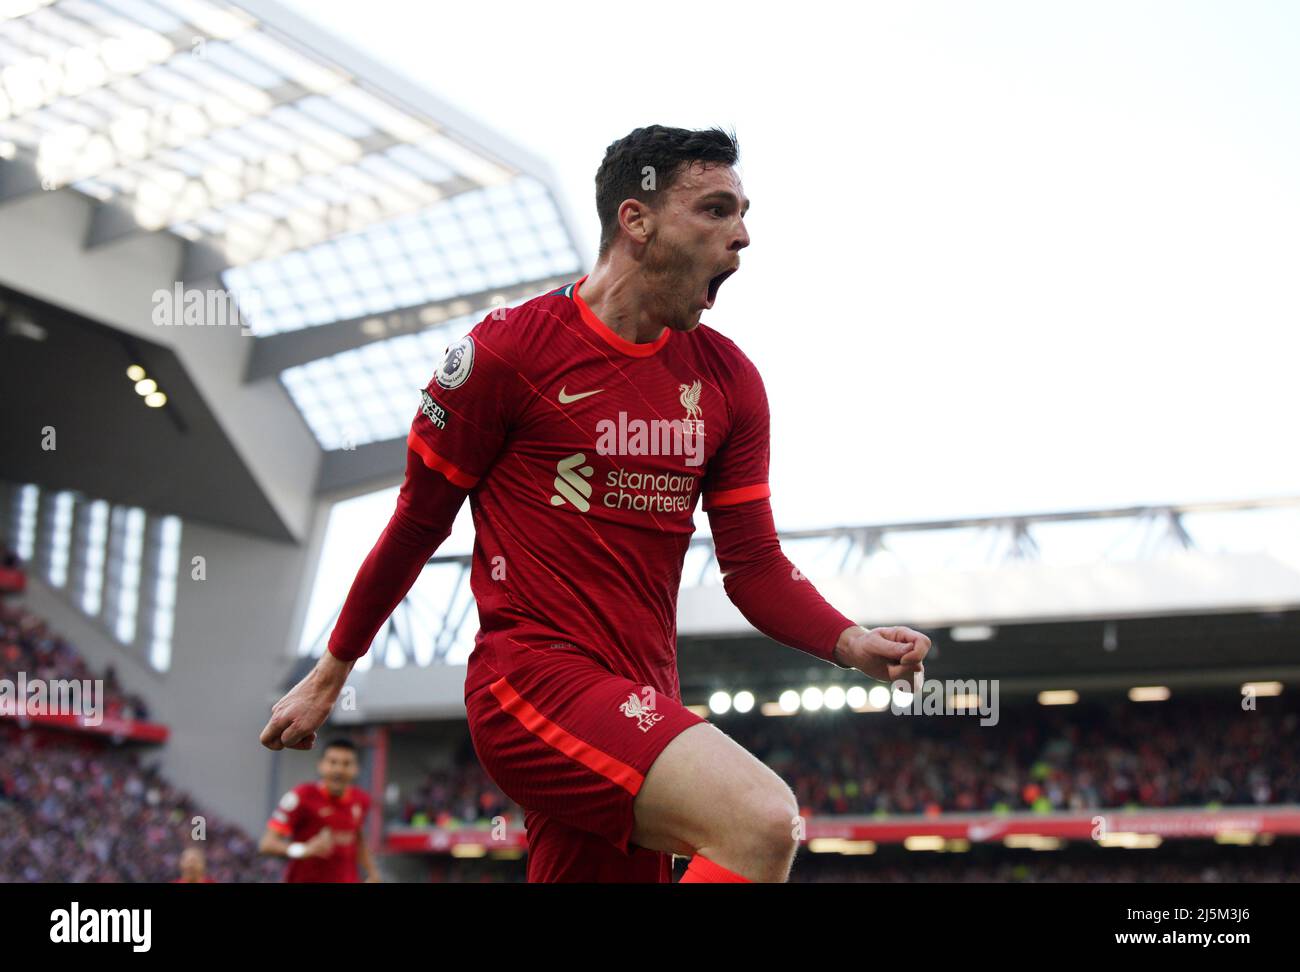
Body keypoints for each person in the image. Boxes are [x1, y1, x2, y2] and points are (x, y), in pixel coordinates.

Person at [261, 125, 930, 882]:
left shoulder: (729, 381)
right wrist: (334, 667)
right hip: (531, 685)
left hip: (641, 701)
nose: (742, 236)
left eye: (744, 213)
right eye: (715, 210)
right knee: (762, 821)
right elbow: (418, 521)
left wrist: (849, 641)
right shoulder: (508, 352)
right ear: (635, 221)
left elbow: (754, 567)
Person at [258, 738, 380, 883]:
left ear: (356, 769)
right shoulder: (301, 796)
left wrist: (373, 873)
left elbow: (358, 839)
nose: (339, 770)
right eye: (332, 762)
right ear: (321, 765)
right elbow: (267, 844)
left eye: (346, 764)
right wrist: (304, 850)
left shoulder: (361, 800)